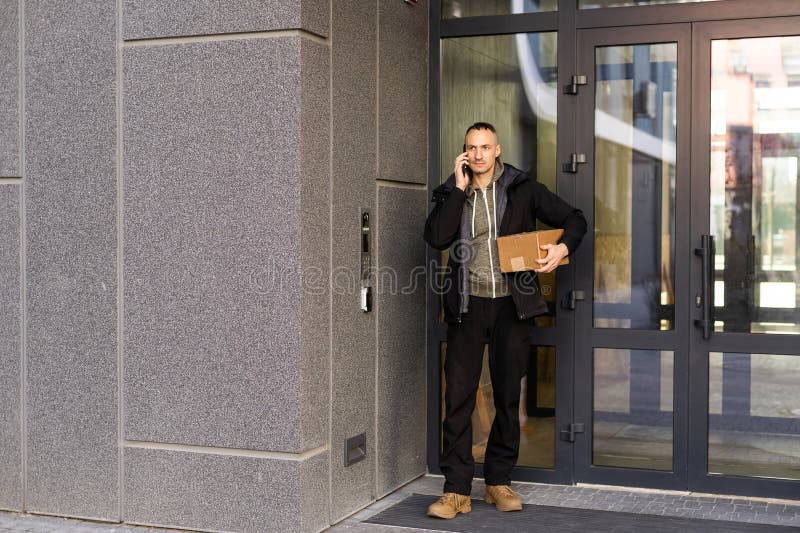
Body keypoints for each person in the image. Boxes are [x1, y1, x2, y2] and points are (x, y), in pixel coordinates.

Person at [424, 122, 586, 519]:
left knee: (507, 396)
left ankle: (498, 482)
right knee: (458, 397)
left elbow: (575, 218)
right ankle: (456, 491)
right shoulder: (453, 191)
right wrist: (458, 188)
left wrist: (560, 248)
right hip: (467, 305)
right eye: (470, 148)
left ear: (497, 150)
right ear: (464, 154)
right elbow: (437, 237)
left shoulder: (523, 189)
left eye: (484, 147)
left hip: (512, 307)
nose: (478, 154)